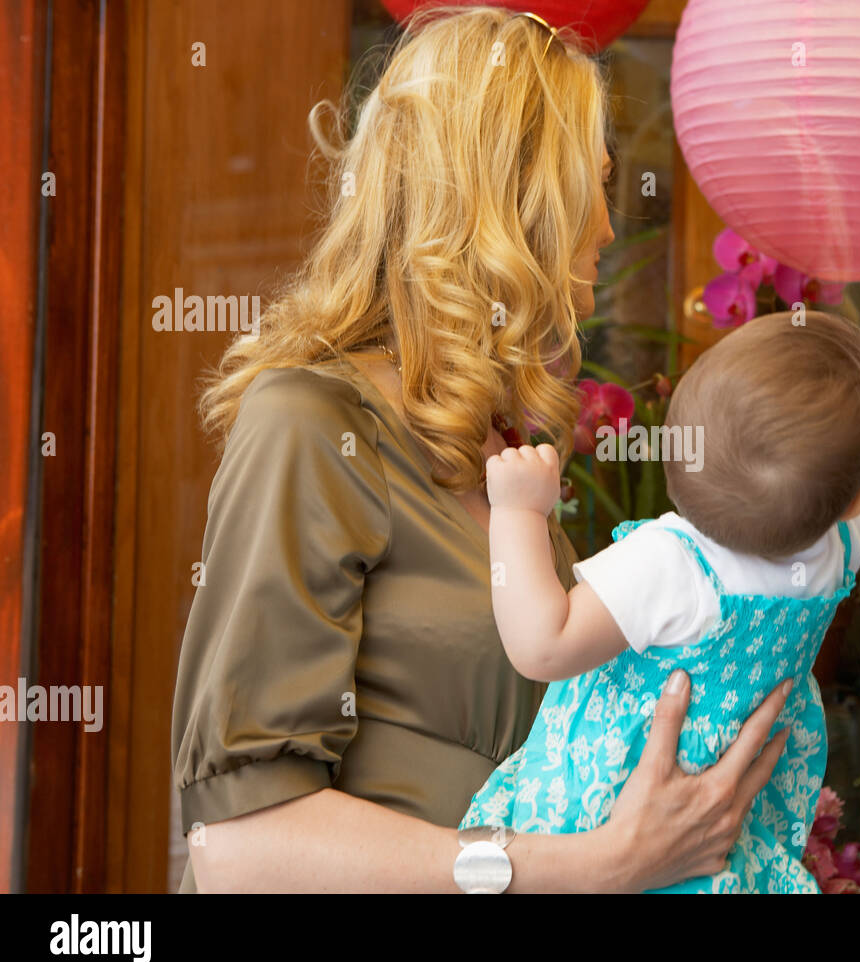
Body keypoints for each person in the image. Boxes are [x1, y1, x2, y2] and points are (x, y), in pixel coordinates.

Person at [170, 6, 793, 893]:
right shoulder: (307, 421)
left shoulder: (494, 450)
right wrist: (595, 866)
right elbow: (238, 851)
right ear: (510, 201)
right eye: (594, 189)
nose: (609, 234)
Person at [462, 240, 860, 892]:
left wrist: (518, 514)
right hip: (716, 843)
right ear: (856, 492)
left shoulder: (669, 567)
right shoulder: (835, 547)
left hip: (595, 826)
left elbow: (541, 646)